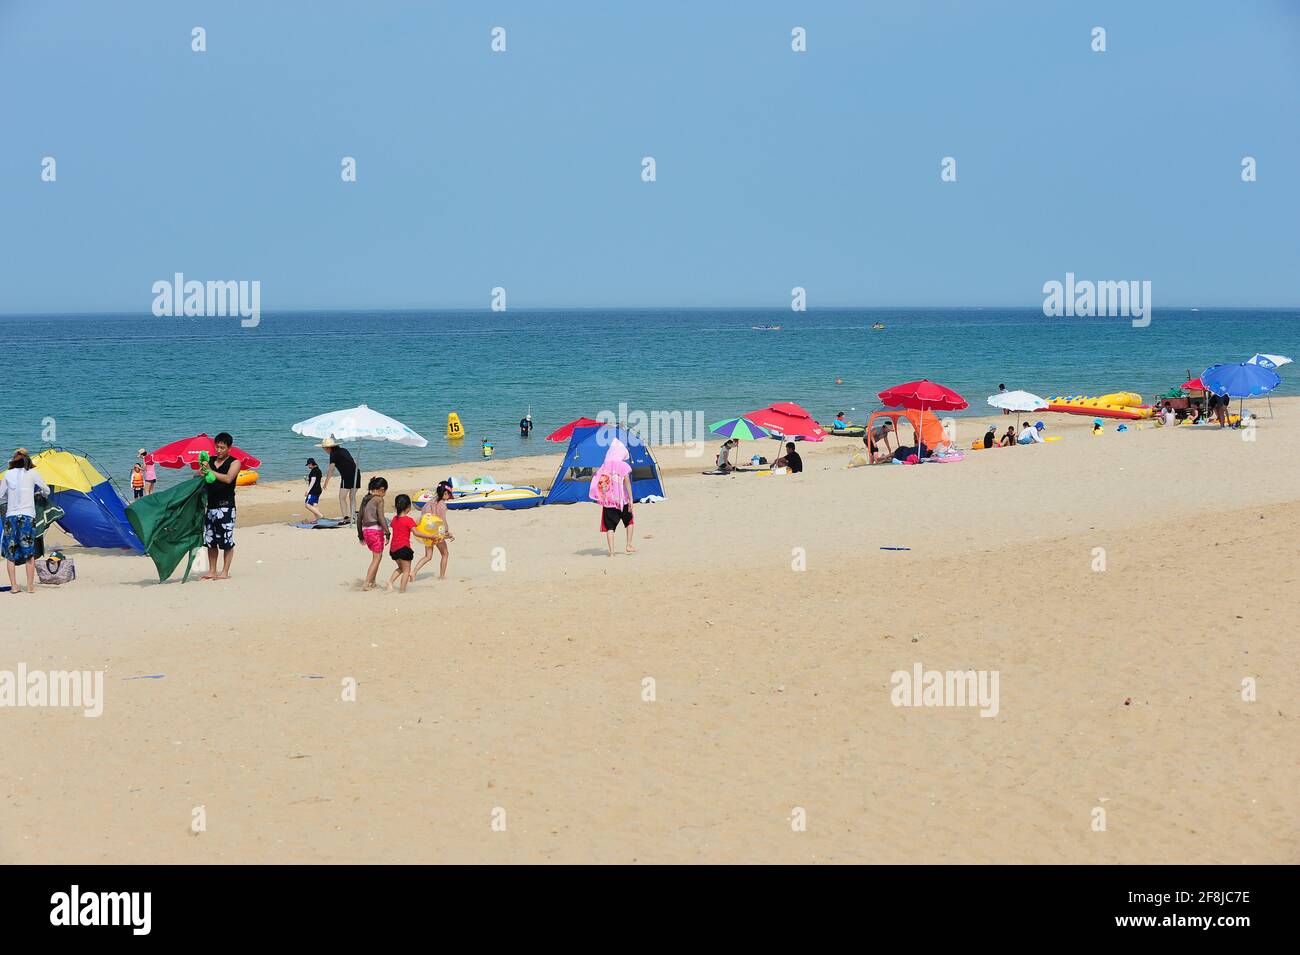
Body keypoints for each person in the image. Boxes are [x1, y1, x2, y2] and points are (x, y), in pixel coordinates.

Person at [1, 449, 51, 594]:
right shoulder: (32, 473)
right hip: (27, 516)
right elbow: (46, 490)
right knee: (29, 552)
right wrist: (40, 494)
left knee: (10, 553)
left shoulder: (7, 474)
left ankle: (14, 587)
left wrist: (8, 499)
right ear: (27, 460)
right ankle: (30, 586)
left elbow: (0, 496)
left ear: (13, 461)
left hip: (11, 517)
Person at [199, 432, 241, 580]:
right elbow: (198, 476)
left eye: (222, 447)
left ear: (229, 448)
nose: (219, 450)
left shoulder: (235, 462)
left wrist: (210, 471)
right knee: (210, 541)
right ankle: (212, 571)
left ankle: (224, 572)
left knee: (227, 541)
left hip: (226, 507)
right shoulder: (209, 461)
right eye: (217, 447)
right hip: (210, 507)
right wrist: (202, 470)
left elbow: (228, 478)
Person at [590, 438, 635, 557]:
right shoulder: (623, 465)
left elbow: (598, 480)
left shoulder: (604, 466)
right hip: (623, 500)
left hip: (609, 501)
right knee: (629, 521)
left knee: (610, 527)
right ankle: (629, 545)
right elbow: (627, 483)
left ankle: (611, 551)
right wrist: (631, 498)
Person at [413, 482, 455, 580]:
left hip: (426, 533)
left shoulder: (428, 503)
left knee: (428, 556)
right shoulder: (442, 505)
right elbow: (443, 522)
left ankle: (413, 572)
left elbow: (422, 517)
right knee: (445, 554)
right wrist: (447, 533)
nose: (449, 497)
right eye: (449, 494)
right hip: (437, 532)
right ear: (445, 493)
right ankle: (442, 576)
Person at [357, 476, 389, 591]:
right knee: (377, 558)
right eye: (385, 491)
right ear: (382, 489)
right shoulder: (379, 499)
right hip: (375, 531)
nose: (384, 494)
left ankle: (373, 581)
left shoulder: (366, 498)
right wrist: (388, 532)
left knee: (376, 557)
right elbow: (381, 517)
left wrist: (360, 535)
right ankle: (366, 583)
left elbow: (359, 516)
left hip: (366, 531)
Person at [319, 438, 361, 521]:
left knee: (342, 497)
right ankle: (354, 517)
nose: (324, 450)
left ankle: (346, 517)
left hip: (347, 476)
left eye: (324, 448)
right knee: (352, 497)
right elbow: (354, 462)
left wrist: (326, 483)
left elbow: (331, 469)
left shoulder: (333, 454)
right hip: (357, 474)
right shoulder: (344, 450)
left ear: (328, 448)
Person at [386, 493, 417, 593]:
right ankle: (402, 591)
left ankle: (390, 581)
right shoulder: (408, 520)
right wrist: (431, 536)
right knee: (406, 571)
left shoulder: (394, 519)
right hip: (404, 549)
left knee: (401, 568)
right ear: (408, 507)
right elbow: (416, 533)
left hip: (393, 550)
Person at [303, 457, 324, 524]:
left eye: (308, 465)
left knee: (307, 504)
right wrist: (307, 480)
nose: (308, 466)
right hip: (318, 489)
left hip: (313, 490)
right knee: (314, 505)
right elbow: (316, 480)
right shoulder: (319, 470)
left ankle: (320, 516)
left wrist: (307, 491)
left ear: (311, 464)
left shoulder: (314, 471)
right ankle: (316, 519)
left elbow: (313, 481)